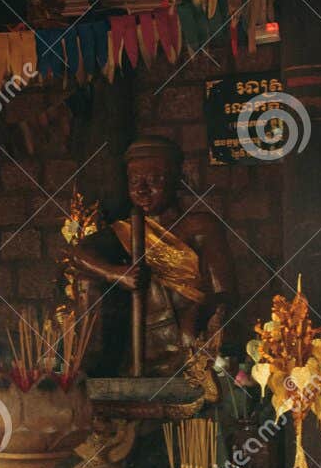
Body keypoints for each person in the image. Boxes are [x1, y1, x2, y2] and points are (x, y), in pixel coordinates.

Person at [70, 135, 236, 376]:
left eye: (155, 179)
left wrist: (200, 321)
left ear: (178, 179)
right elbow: (77, 253)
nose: (142, 189)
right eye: (134, 181)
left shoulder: (199, 226)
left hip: (189, 335)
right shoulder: (125, 231)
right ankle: (94, 364)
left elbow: (224, 292)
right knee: (87, 278)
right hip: (142, 342)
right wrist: (116, 274)